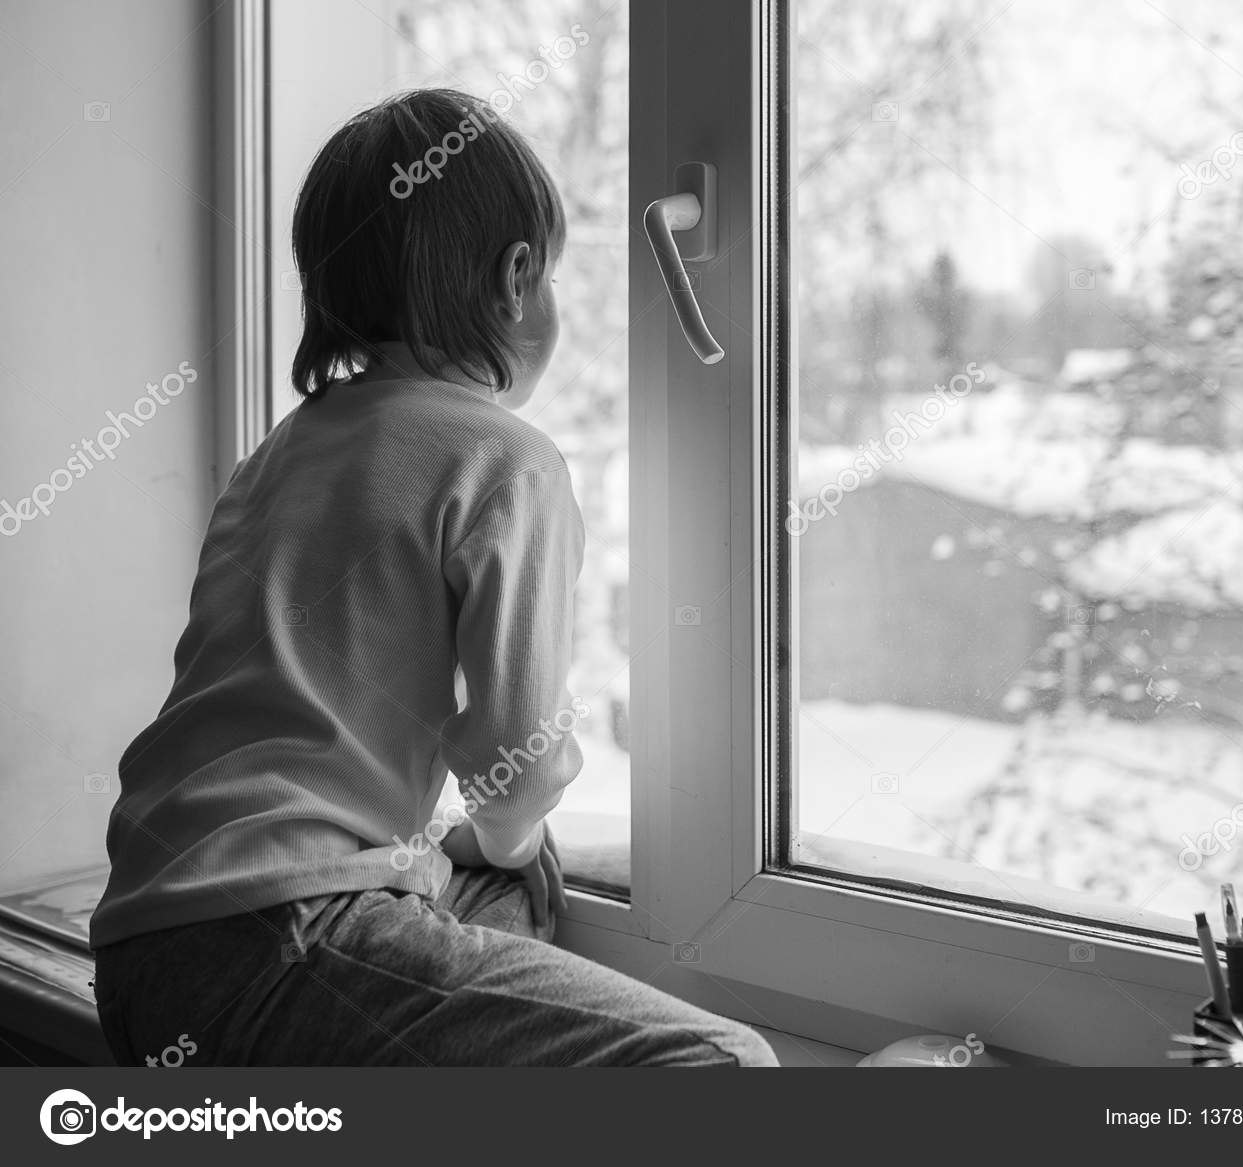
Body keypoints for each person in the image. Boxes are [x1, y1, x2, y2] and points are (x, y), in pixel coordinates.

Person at [89, 88, 776, 1068]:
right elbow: (520, 756)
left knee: (492, 896)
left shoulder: (281, 452)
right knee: (723, 1064)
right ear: (518, 276)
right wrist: (503, 834)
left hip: (146, 948)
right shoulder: (505, 458)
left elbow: (296, 705)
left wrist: (465, 844)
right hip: (283, 938)